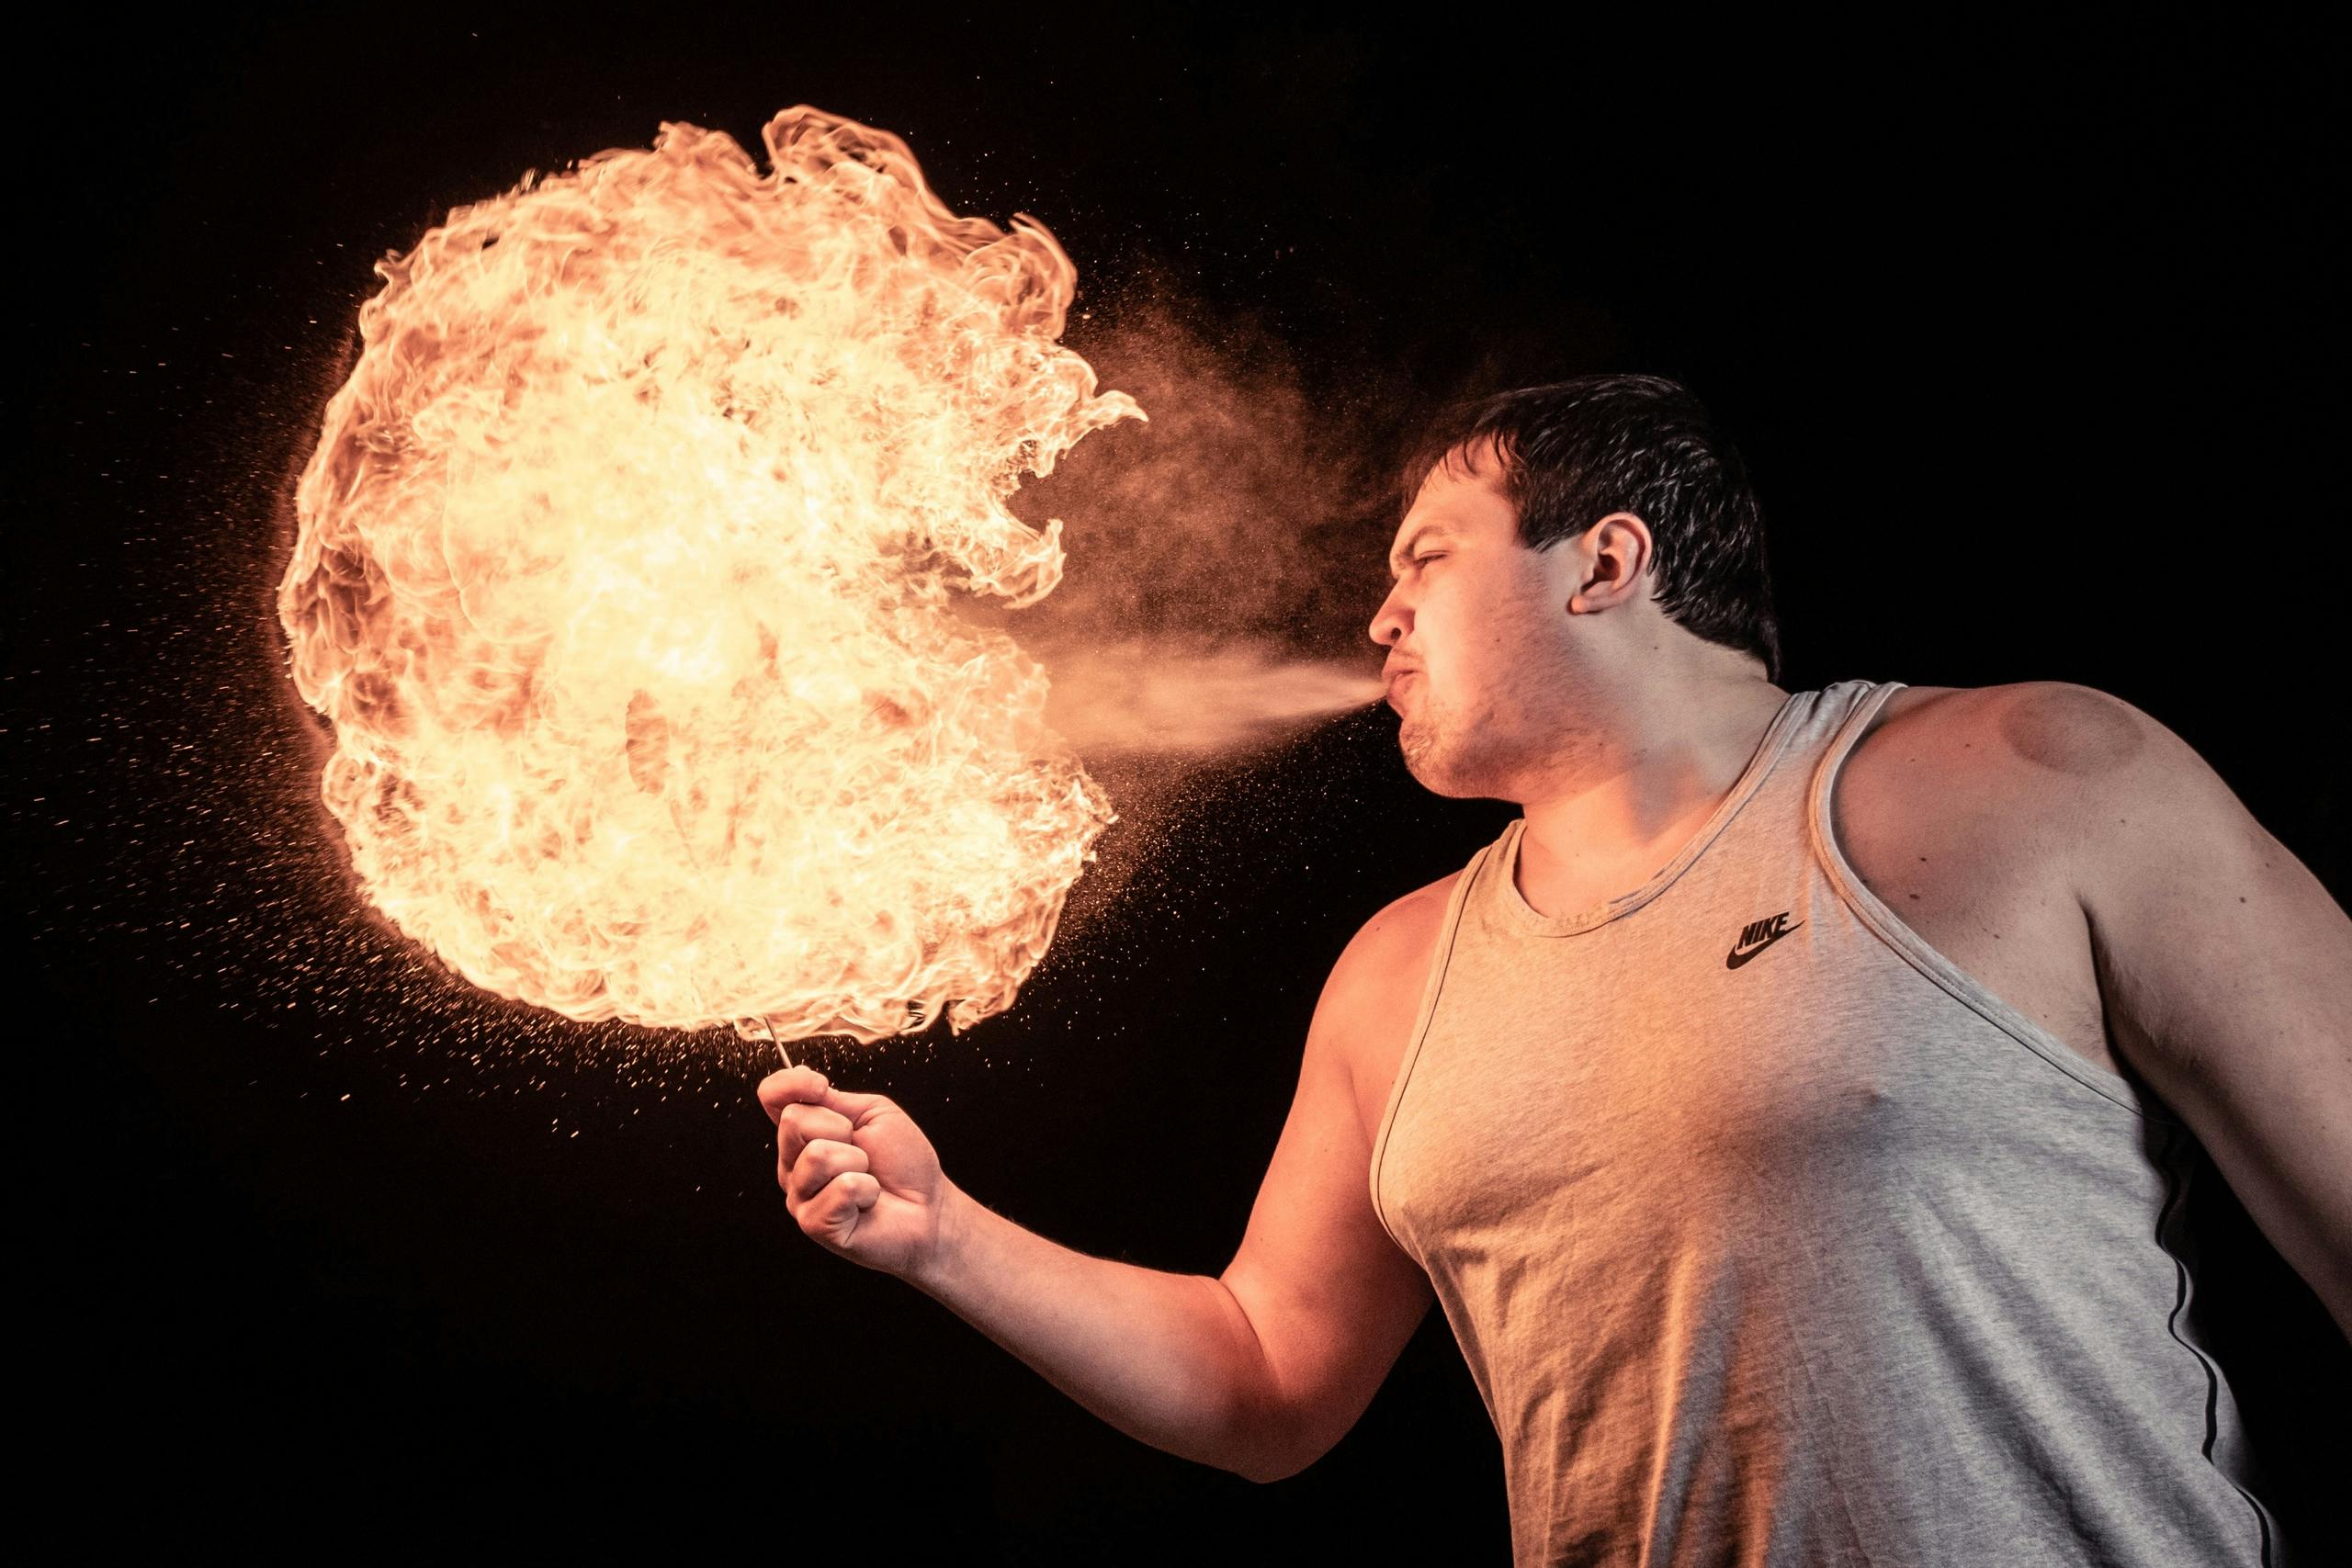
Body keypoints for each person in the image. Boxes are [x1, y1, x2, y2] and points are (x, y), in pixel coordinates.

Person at [757, 375, 2347, 1565]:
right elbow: (1263, 1382)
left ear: (1604, 564)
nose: (1377, 616)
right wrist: (945, 1238)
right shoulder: (1394, 977)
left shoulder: (2035, 775)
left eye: (1427, 559)